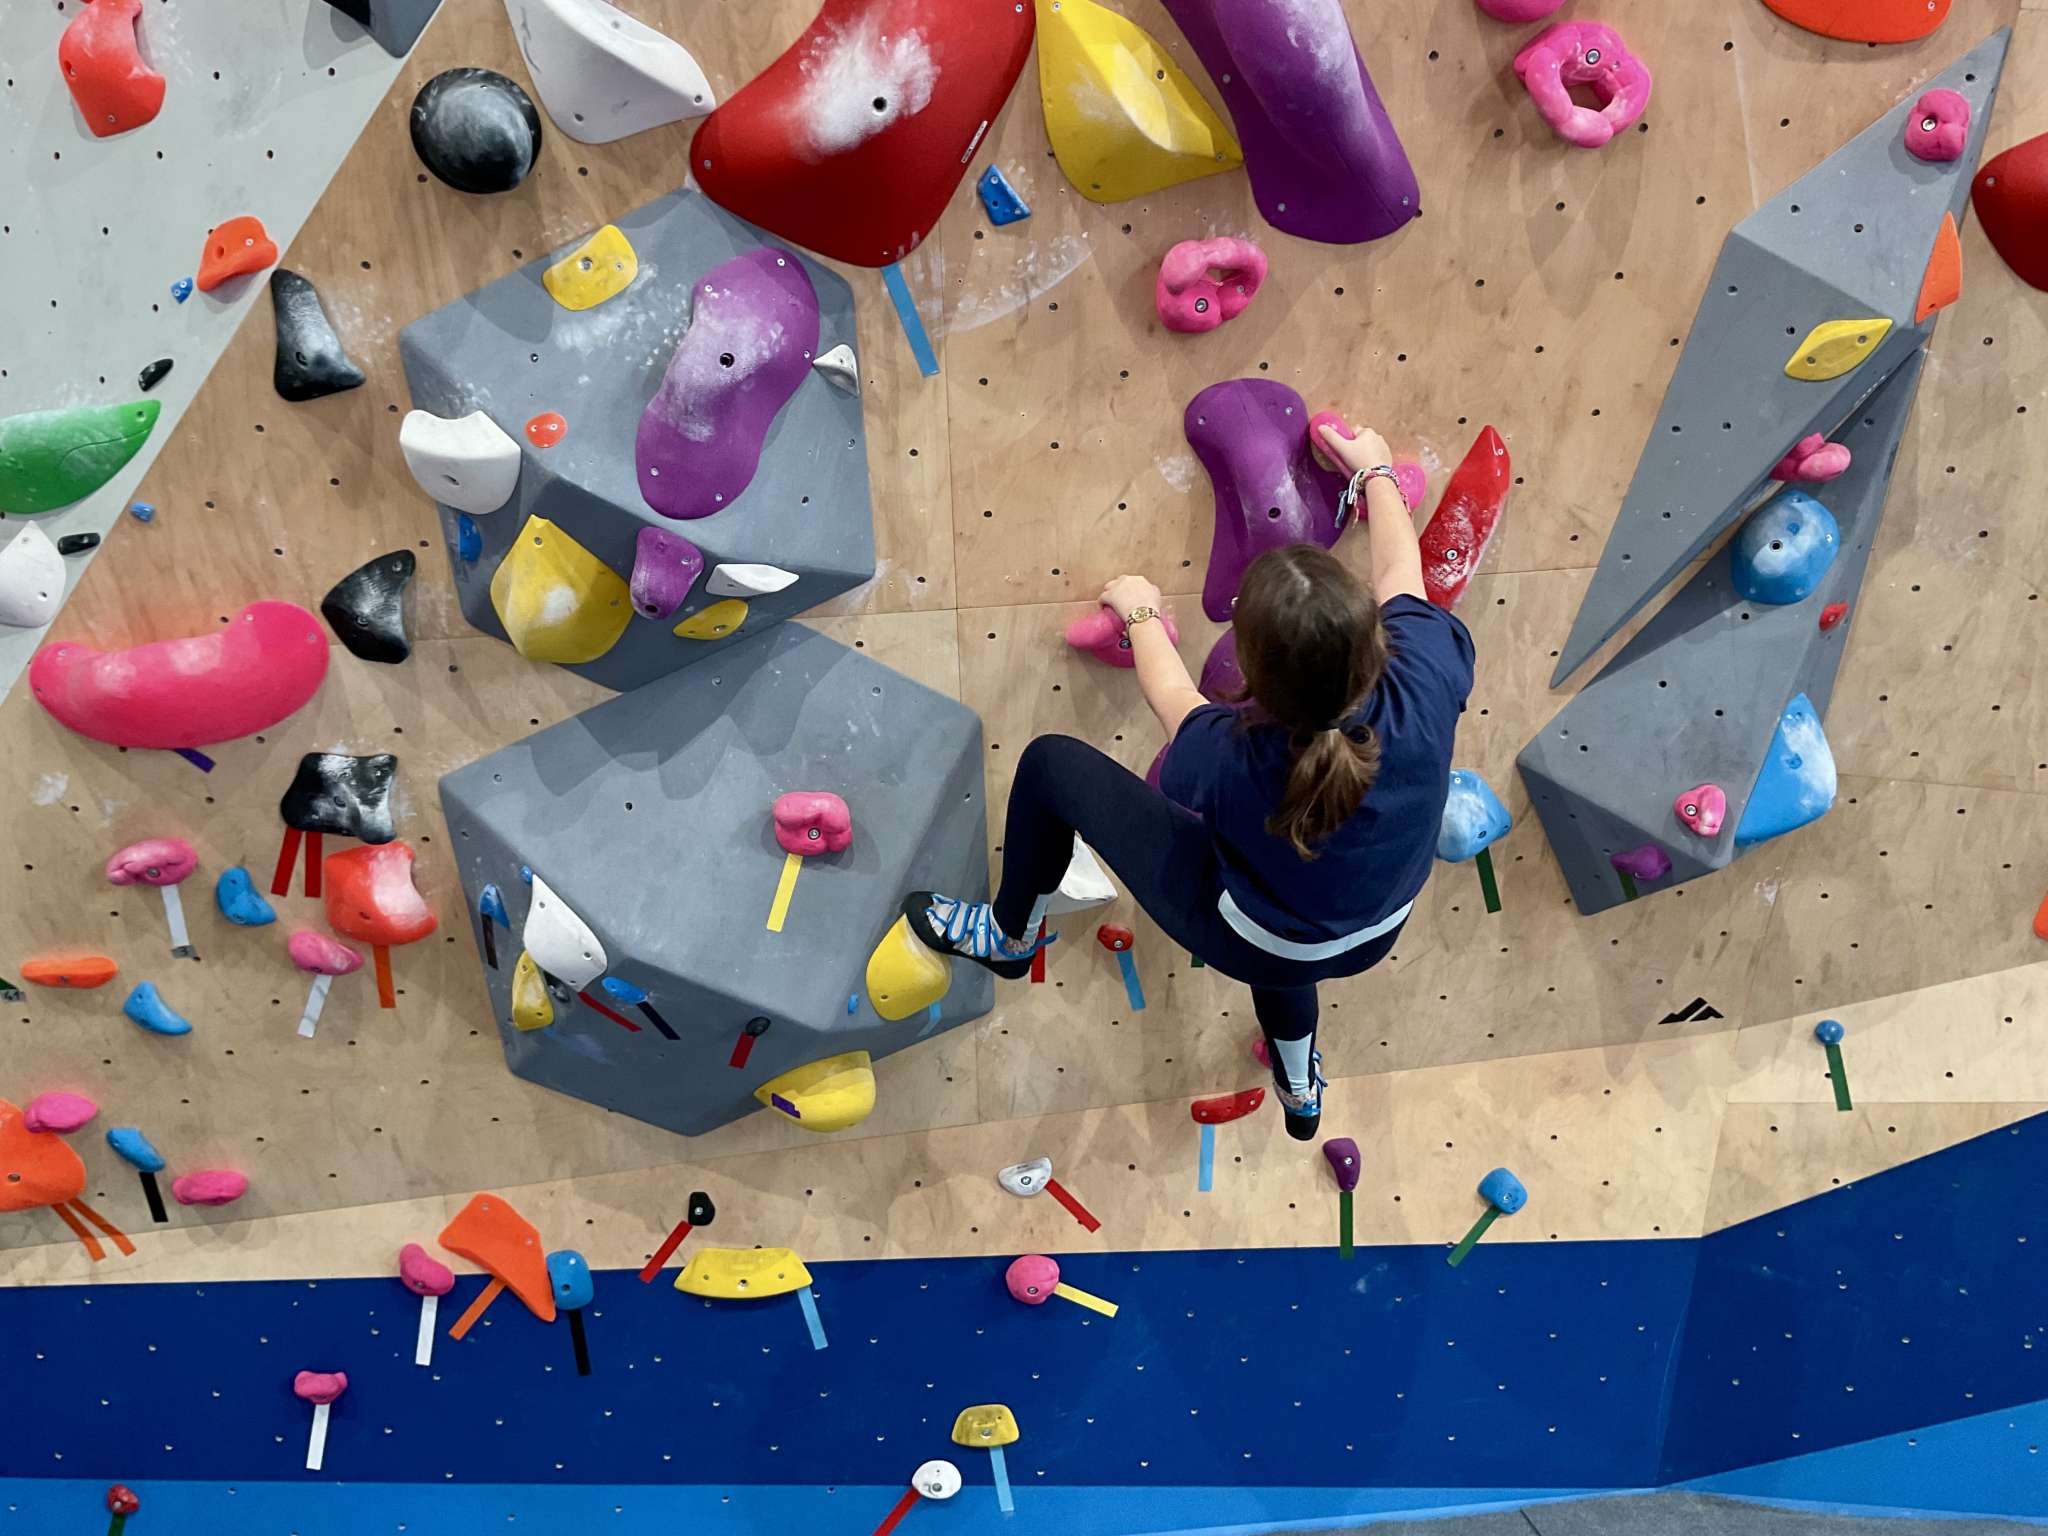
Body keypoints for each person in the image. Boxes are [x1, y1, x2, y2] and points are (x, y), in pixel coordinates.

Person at [903, 416, 1475, 1138]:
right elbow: (1403, 577)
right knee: (1291, 912)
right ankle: (1298, 1081)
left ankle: (1009, 935)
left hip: (1252, 933)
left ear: (1252, 674)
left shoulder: (1231, 756)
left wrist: (1139, 607)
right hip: (1373, 928)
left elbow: (1172, 696)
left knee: (1050, 762)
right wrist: (1378, 472)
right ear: (1373, 636)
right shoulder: (1427, 677)